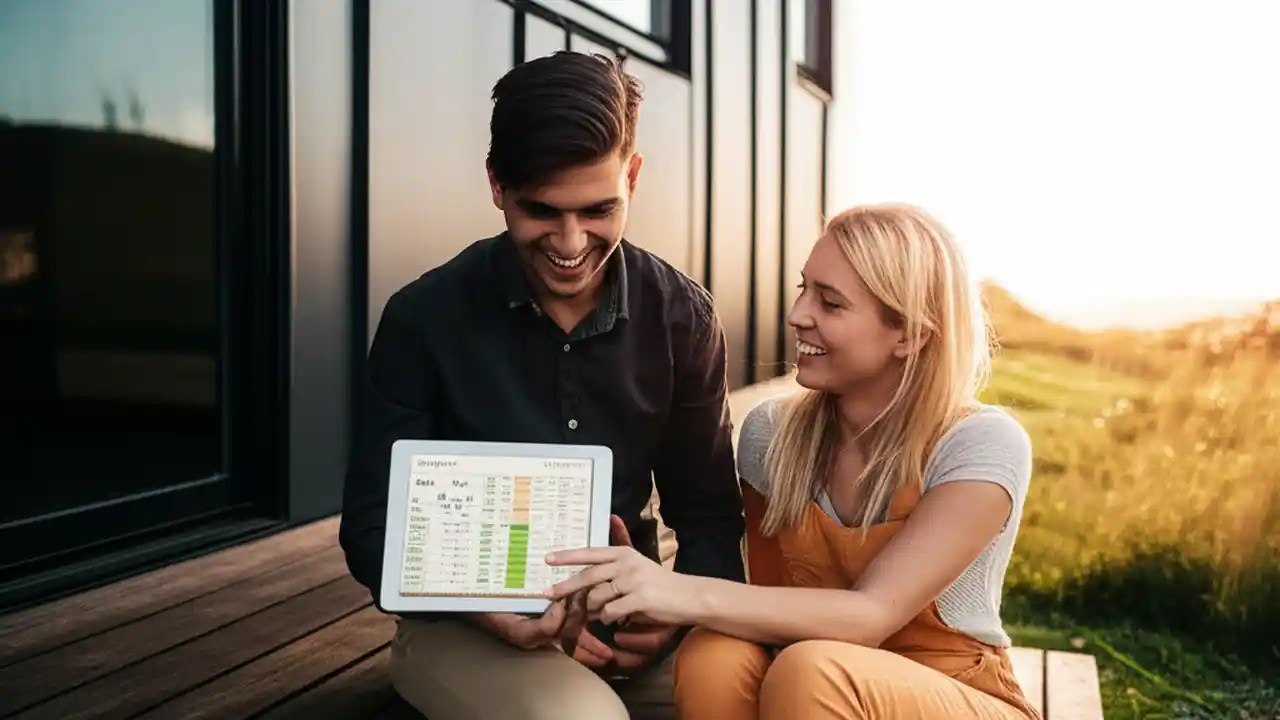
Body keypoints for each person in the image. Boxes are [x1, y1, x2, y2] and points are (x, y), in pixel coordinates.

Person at [338, 51, 745, 719]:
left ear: (633, 177)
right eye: (542, 211)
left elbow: (709, 518)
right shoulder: (422, 318)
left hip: (630, 631)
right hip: (465, 631)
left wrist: (676, 615)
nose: (571, 242)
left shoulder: (683, 317)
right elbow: (371, 527)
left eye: (598, 209)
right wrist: (486, 611)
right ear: (496, 184)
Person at [546, 204, 1044, 719]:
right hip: (804, 686)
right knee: (714, 657)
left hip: (949, 689)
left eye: (830, 303)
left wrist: (675, 591)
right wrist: (637, 605)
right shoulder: (772, 437)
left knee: (813, 670)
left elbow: (871, 614)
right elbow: (765, 604)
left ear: (910, 333)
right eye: (804, 289)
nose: (797, 315)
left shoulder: (979, 444)